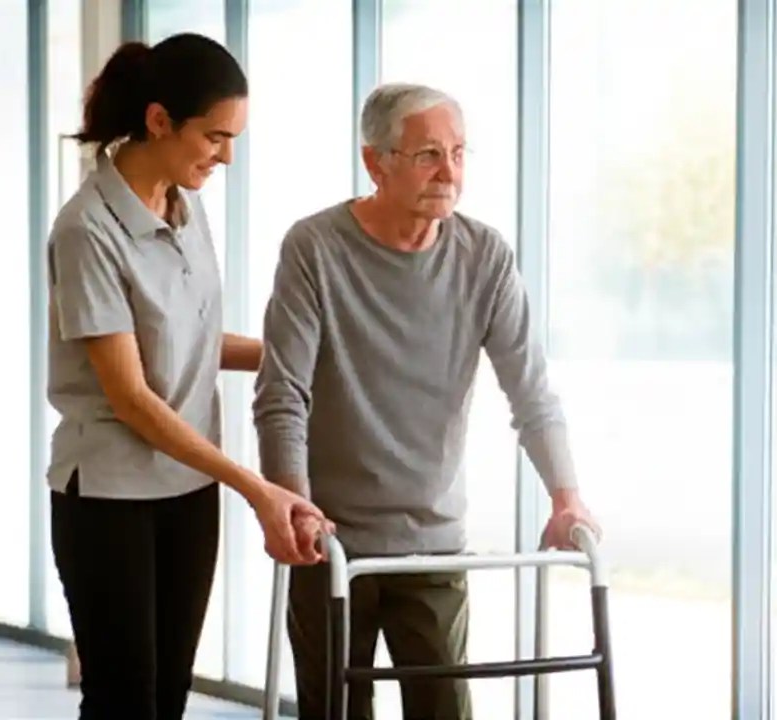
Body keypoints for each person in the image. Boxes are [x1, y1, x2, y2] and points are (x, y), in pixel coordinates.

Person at [253, 82, 601, 720]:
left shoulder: (485, 257)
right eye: (428, 155)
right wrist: (292, 502)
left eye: (460, 153)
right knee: (333, 709)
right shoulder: (315, 248)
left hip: (432, 543)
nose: (450, 172)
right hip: (329, 541)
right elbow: (282, 394)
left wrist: (565, 495)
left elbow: (530, 389)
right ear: (375, 162)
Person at [46, 33, 332, 720]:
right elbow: (134, 397)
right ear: (158, 121)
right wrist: (255, 486)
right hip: (109, 498)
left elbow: (193, 345)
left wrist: (304, 353)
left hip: (187, 491)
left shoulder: (185, 203)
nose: (226, 156)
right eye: (215, 136)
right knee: (125, 701)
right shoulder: (88, 229)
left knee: (169, 696)